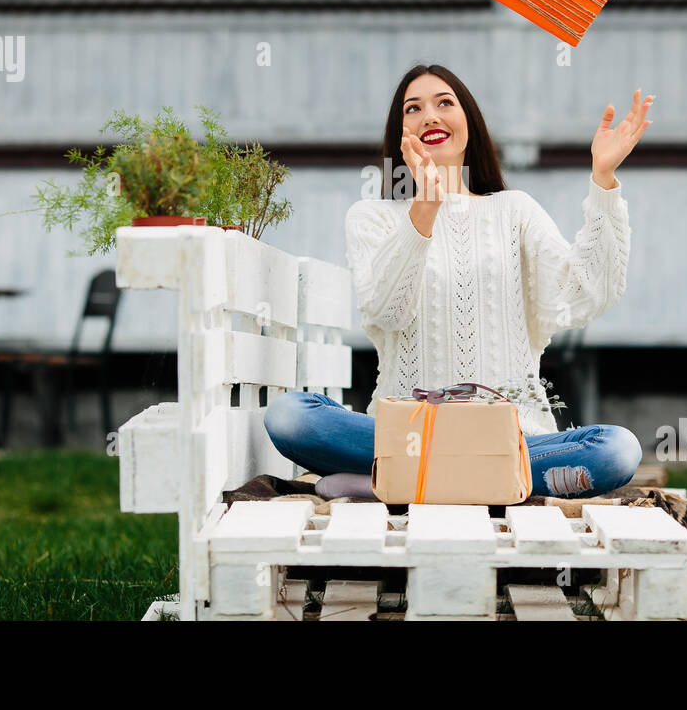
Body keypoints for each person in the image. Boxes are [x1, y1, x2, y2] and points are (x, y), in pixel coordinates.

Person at [264, 63, 653, 501]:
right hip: (403, 436)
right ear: (401, 134)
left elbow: (584, 293)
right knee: (288, 416)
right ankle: (478, 482)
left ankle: (394, 483)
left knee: (617, 449)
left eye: (444, 103)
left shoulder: (514, 211)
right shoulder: (372, 217)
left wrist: (603, 181)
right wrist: (425, 210)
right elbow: (386, 313)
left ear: (469, 123)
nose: (430, 115)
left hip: (509, 439)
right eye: (414, 108)